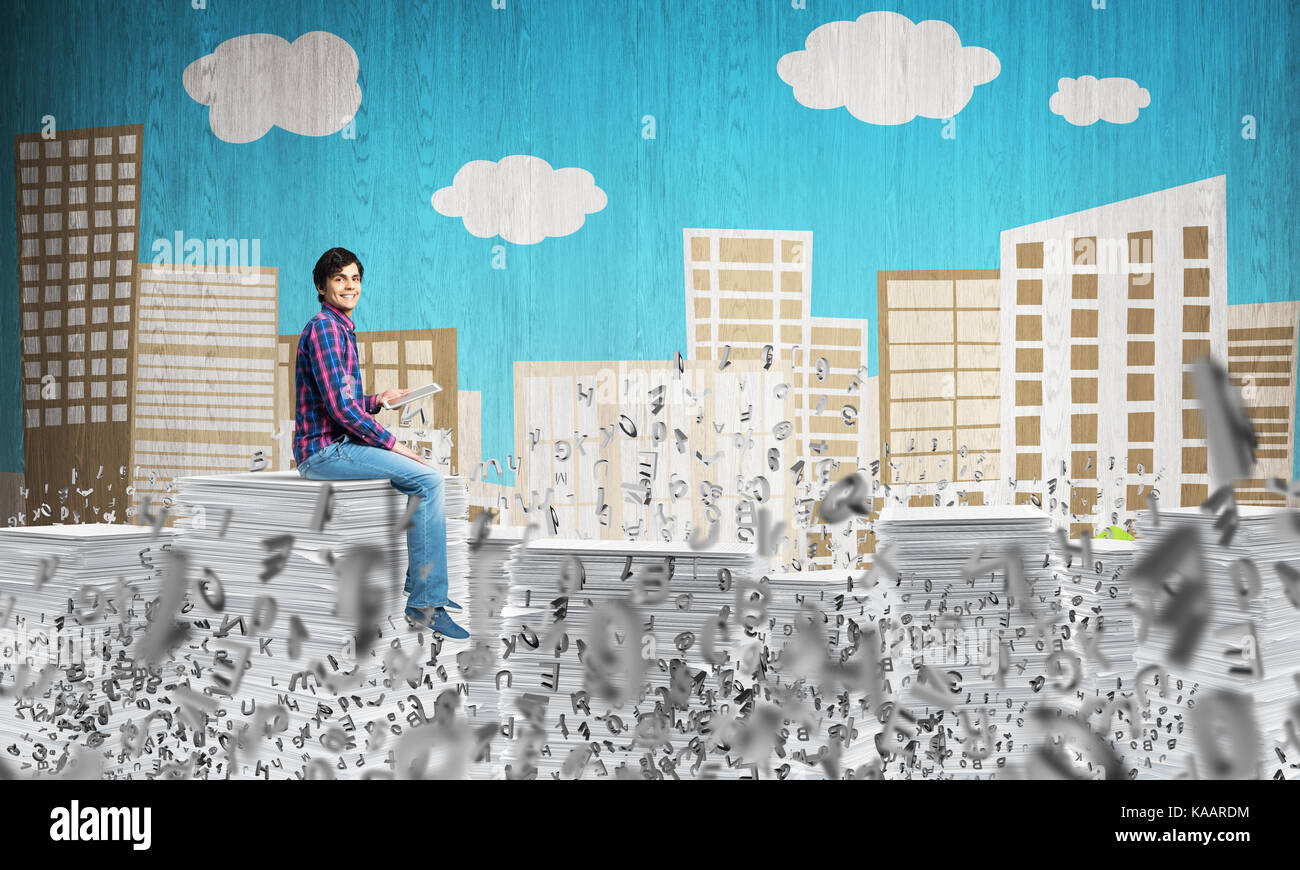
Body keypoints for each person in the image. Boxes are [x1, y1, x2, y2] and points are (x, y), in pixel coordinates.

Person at [291, 247, 468, 639]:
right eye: (339, 279)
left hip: (335, 443)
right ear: (322, 287)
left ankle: (425, 587)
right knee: (427, 480)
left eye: (355, 279)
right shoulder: (325, 328)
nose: (349, 286)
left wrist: (378, 401)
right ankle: (424, 603)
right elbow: (339, 410)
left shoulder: (339, 329)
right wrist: (394, 444)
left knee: (425, 479)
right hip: (323, 450)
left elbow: (341, 400)